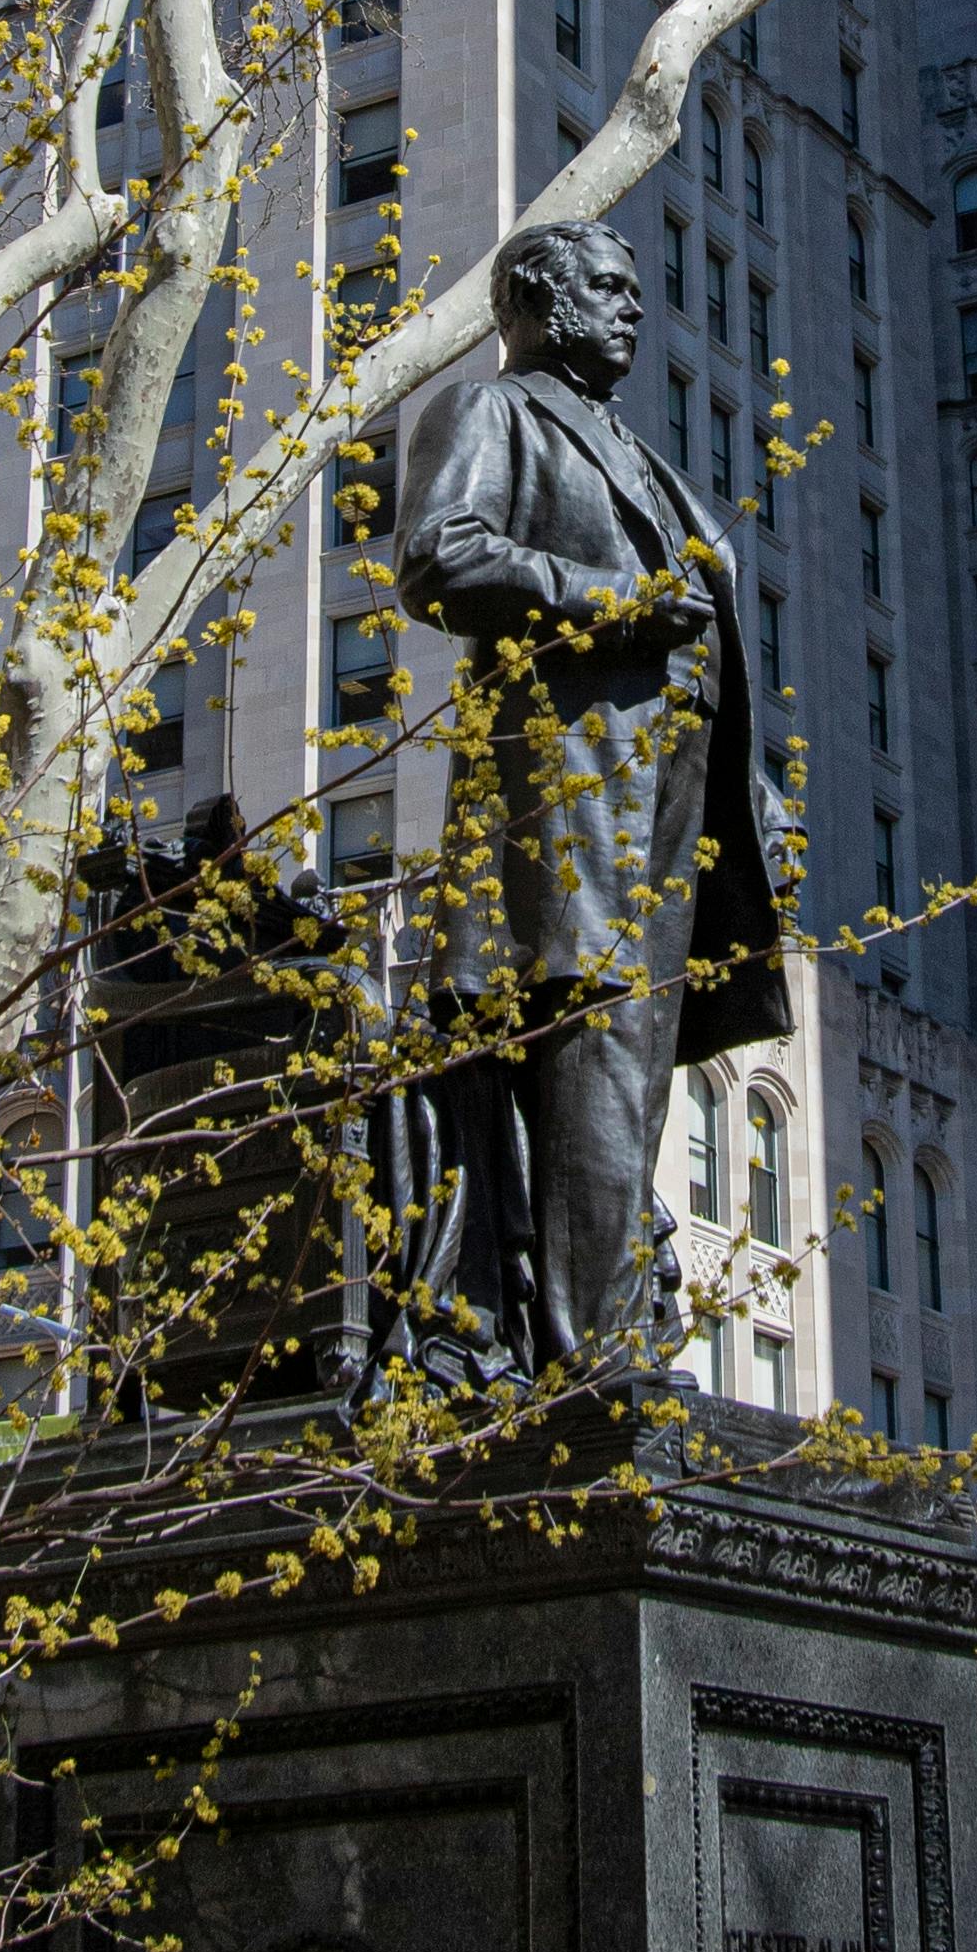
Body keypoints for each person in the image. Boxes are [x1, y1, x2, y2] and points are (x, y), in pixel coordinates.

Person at [395, 218, 792, 1365]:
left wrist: (751, 796)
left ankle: (597, 1346)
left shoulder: (633, 451)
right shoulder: (492, 413)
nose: (632, 308)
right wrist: (607, 599)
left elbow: (700, 651)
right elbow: (438, 556)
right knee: (597, 1066)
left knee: (626, 1078)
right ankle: (592, 1368)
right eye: (607, 289)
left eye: (632, 290)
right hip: (566, 823)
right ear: (534, 296)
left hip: (663, 826)